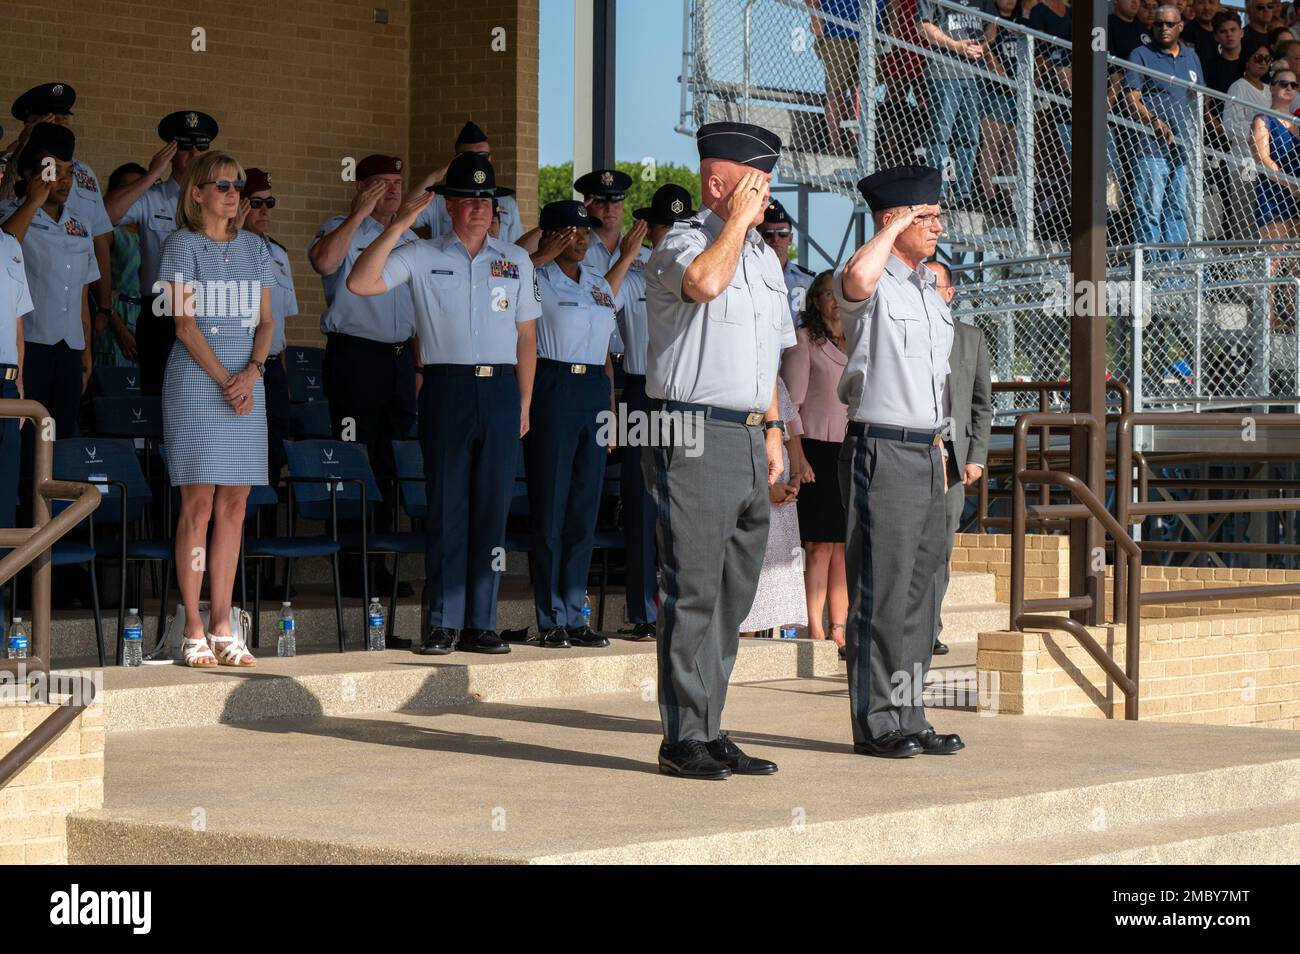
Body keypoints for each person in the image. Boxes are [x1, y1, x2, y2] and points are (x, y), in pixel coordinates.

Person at [643, 120, 792, 780]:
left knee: (734, 593)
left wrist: (774, 431)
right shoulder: (682, 240)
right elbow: (703, 284)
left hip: (745, 431)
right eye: (755, 185)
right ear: (718, 183)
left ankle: (710, 724)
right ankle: (681, 736)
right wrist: (733, 222)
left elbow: (771, 358)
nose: (765, 197)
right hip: (691, 428)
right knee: (693, 588)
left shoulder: (761, 257)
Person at [348, 152, 538, 656]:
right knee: (448, 506)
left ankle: (482, 621)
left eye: (486, 199)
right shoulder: (422, 253)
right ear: (448, 206)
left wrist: (523, 401)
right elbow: (360, 282)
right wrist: (403, 221)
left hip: (499, 390)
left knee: (492, 510)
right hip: (446, 386)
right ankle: (442, 621)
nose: (479, 208)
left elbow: (526, 336)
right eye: (468, 199)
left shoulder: (515, 260)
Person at [836, 164, 961, 759]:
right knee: (881, 593)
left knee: (920, 594)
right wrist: (890, 230)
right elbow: (858, 277)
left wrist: (941, 448)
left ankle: (910, 714)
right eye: (926, 216)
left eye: (937, 215)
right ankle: (876, 722)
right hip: (880, 447)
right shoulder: (871, 280)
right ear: (895, 219)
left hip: (925, 450)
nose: (937, 225)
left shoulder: (922, 288)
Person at [157, 151, 273, 668]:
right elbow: (183, 325)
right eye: (221, 184)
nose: (233, 192)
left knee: (236, 505)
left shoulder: (257, 247)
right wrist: (227, 378)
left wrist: (251, 373)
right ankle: (194, 626)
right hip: (199, 381)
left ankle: (226, 626)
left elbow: (267, 322)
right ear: (197, 193)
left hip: (247, 383)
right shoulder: (181, 244)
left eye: (238, 184)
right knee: (199, 505)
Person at [308, 153, 418, 598]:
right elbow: (324, 263)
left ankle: (381, 564)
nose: (391, 190)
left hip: (398, 360)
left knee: (390, 464)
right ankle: (355, 569)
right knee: (358, 461)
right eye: (380, 183)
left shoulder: (408, 237)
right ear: (360, 187)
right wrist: (358, 214)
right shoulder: (341, 227)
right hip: (356, 358)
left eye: (396, 183)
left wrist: (419, 366)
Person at [521, 200, 623, 649]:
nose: (582, 242)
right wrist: (539, 255)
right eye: (573, 233)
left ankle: (575, 613)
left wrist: (612, 406)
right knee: (551, 506)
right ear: (551, 234)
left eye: (585, 235)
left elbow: (605, 349)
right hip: (553, 383)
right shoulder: (535, 277)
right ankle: (550, 617)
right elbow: (506, 283)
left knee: (585, 507)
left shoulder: (600, 284)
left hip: (593, 392)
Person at [603, 183, 695, 641]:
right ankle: (643, 610)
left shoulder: (700, 279)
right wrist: (626, 257)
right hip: (641, 391)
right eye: (664, 229)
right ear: (651, 230)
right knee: (642, 503)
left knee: (685, 503)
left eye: (680, 229)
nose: (671, 238)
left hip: (688, 397)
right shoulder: (636, 277)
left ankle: (683, 610)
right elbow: (600, 304)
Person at [1, 124, 97, 493]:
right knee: (26, 449)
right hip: (30, 350)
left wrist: (86, 355)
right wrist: (32, 203)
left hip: (68, 350)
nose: (64, 181)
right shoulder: (11, 215)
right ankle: (24, 534)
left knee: (62, 444)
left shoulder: (80, 224)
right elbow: (5, 249)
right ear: (31, 173)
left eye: (69, 172)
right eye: (53, 171)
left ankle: (59, 535)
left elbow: (82, 298)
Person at [107, 109, 220, 396]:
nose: (194, 153)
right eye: (184, 145)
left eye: (201, 146)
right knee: (158, 400)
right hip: (160, 313)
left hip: (208, 313)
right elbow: (106, 215)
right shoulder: (152, 197)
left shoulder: (220, 201)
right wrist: (152, 174)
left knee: (204, 398)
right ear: (170, 151)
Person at [4, 84, 115, 356]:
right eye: (47, 119)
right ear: (29, 124)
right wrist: (20, 151)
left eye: (62, 117)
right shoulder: (9, 163)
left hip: (72, 311)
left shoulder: (82, 172)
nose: (58, 124)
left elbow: (99, 237)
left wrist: (103, 305)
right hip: (25, 321)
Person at [780, 270, 849, 654]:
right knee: (820, 546)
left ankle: (839, 628)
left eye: (841, 293)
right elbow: (790, 403)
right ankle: (815, 628)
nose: (836, 300)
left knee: (842, 547)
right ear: (815, 301)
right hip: (816, 451)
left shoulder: (855, 340)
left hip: (848, 450)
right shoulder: (803, 341)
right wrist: (799, 455)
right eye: (828, 293)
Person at [925, 261, 990, 657]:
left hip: (953, 462)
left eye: (934, 284)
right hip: (910, 454)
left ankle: (930, 628)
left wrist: (976, 457)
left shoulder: (971, 339)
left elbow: (983, 405)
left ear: (950, 293)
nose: (927, 289)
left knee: (940, 549)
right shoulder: (904, 331)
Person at [1125, 7, 1206, 258]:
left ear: (1180, 26)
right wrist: (1153, 121)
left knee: (1178, 209)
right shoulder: (1140, 54)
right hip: (1151, 146)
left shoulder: (1191, 57)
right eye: (1159, 24)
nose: (1164, 28)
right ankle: (1150, 269)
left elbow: (1199, 103)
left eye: (1170, 24)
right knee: (1150, 209)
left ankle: (1175, 271)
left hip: (1182, 146)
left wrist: (1199, 142)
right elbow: (1131, 98)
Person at [238, 168, 297, 487]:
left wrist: (283, 376)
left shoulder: (279, 254)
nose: (264, 211)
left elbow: (281, 328)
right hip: (239, 366)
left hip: (271, 369)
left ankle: (267, 532)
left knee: (273, 454)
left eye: (269, 203)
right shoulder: (226, 251)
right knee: (240, 456)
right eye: (256, 203)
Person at [737, 378, 809, 636]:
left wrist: (796, 475)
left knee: (777, 562)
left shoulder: (775, 381)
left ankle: (760, 631)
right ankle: (743, 633)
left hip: (783, 482)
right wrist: (766, 490)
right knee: (753, 560)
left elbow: (790, 434)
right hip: (756, 481)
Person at [918, 0, 997, 210]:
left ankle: (963, 194)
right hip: (944, 72)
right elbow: (924, 27)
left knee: (970, 137)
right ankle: (940, 191)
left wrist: (984, 45)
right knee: (941, 134)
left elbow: (993, 25)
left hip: (975, 75)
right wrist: (956, 46)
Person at [412, 121, 525, 244]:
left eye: (482, 156)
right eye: (468, 157)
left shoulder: (507, 202)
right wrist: (434, 176)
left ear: (490, 159)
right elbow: (407, 216)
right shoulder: (439, 199)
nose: (476, 162)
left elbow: (516, 246)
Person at [0, 139, 34, 538]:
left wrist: (20, 384)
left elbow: (18, 322)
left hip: (7, 384)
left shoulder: (10, 246)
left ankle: (3, 599)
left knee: (5, 498)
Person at [94, 163, 147, 368]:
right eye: (126, 187)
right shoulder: (109, 231)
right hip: (116, 315)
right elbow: (95, 282)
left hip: (149, 317)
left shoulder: (152, 229)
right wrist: (119, 327)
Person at [1224, 45, 1275, 238]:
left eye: (1267, 59)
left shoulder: (1271, 89)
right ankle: (1243, 260)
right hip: (1244, 160)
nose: (1263, 62)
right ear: (1246, 60)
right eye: (1258, 57)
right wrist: (1260, 132)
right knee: (1245, 215)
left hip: (1269, 161)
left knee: (1267, 214)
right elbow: (1230, 125)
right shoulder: (1238, 87)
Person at [806, 0, 863, 153]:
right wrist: (816, 17)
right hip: (836, 32)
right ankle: (836, 144)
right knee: (836, 89)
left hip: (867, 32)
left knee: (859, 90)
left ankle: (855, 142)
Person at [1252, 68, 1300, 240]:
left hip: (1298, 192)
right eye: (1283, 83)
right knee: (1274, 258)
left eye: (1294, 85)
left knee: (1297, 261)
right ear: (1271, 87)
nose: (1289, 88)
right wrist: (1292, 185)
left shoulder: (1298, 122)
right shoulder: (1263, 119)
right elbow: (1263, 159)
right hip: (1274, 192)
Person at [759, 199, 815, 324]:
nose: (775, 239)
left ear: (790, 238)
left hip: (799, 342)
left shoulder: (808, 280)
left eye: (782, 234)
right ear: (759, 237)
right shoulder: (749, 275)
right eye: (768, 234)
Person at [1206, 11, 1248, 93]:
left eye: (1233, 30)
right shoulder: (1209, 67)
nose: (1229, 34)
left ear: (1241, 33)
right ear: (1216, 37)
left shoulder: (1251, 63)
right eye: (1223, 31)